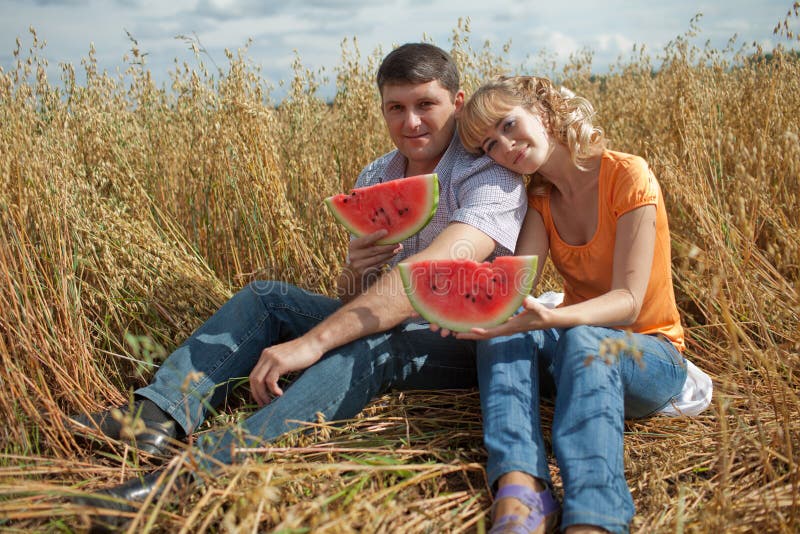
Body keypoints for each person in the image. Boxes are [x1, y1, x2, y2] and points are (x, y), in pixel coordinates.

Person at [70, 43, 527, 528]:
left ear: (456, 104)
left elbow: (425, 279)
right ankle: (155, 418)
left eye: (425, 105)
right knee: (267, 297)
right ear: (382, 110)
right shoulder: (377, 175)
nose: (410, 122)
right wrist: (354, 268)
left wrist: (309, 345)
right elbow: (357, 299)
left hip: (461, 337)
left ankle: (199, 475)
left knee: (377, 344)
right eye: (396, 108)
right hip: (387, 315)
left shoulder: (489, 172)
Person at [448, 76, 690, 534]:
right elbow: (516, 285)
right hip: (580, 347)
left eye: (508, 124)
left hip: (651, 352)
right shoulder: (540, 199)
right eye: (490, 146)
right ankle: (524, 491)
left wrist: (553, 316)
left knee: (584, 340)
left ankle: (594, 518)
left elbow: (629, 305)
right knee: (502, 337)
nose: (505, 146)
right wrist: (460, 309)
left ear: (541, 110)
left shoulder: (628, 175)